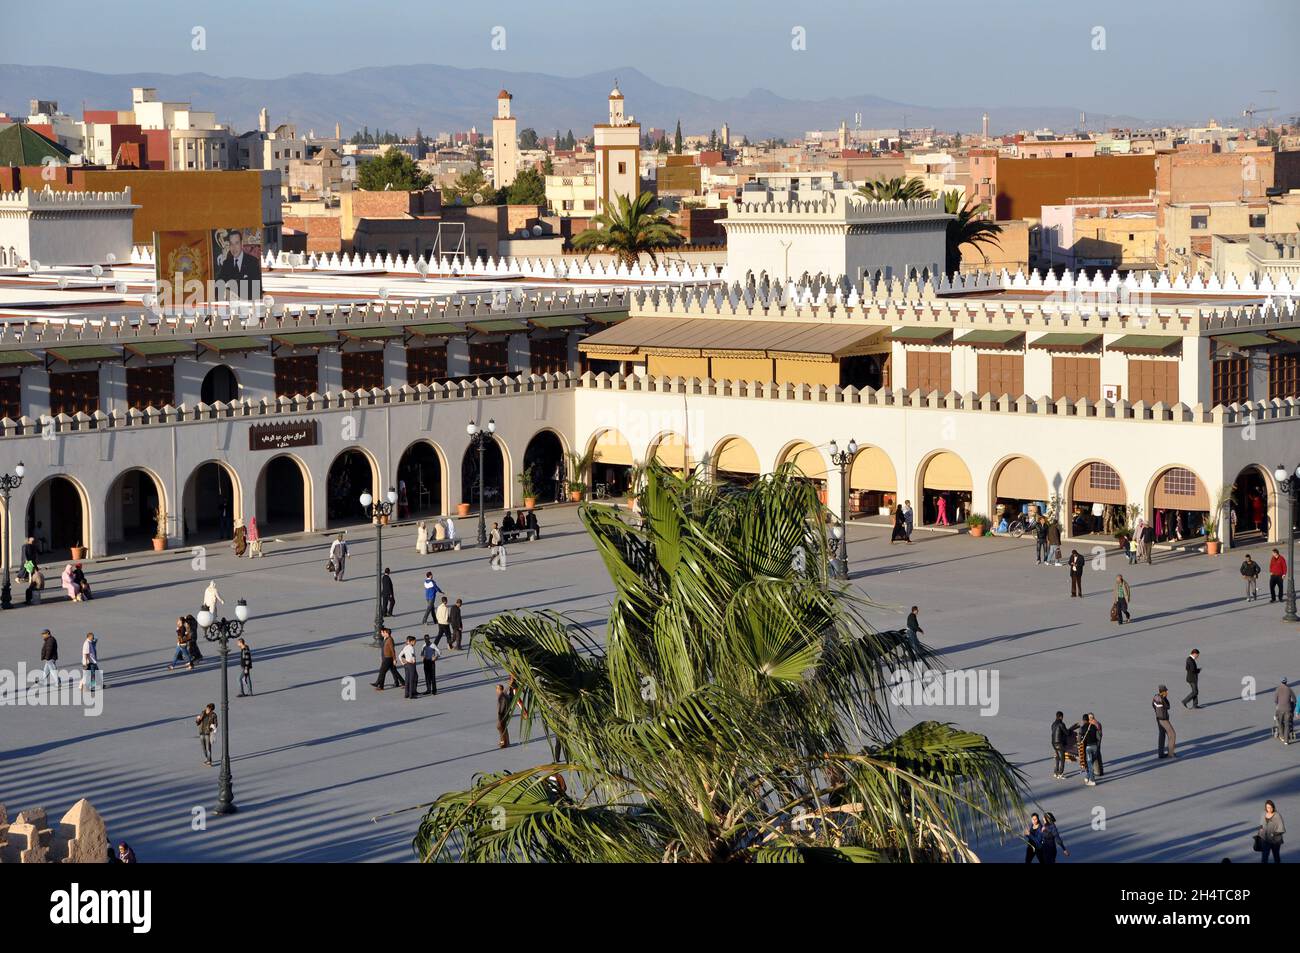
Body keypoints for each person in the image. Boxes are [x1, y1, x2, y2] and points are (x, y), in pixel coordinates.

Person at [1153, 685, 1176, 759]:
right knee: (1172, 734)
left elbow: (1154, 706)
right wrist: (1164, 698)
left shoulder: (1156, 697)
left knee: (1162, 735)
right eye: (1166, 691)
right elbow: (1167, 706)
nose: (1167, 692)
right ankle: (1171, 754)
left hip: (1158, 718)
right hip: (1163, 719)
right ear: (1163, 692)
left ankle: (1161, 754)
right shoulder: (1161, 699)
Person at [1079, 714, 1100, 786]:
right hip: (1095, 747)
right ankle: (1087, 776)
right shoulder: (1093, 726)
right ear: (1088, 719)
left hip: (1088, 748)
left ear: (1083, 720)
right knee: (1091, 762)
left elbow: (1079, 739)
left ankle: (1092, 780)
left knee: (1090, 764)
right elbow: (1098, 737)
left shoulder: (1082, 728)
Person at [399, 636, 419, 700]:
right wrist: (413, 660)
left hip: (406, 664)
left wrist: (402, 662)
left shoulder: (405, 647)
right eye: (414, 641)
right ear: (411, 641)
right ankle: (411, 695)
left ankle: (406, 694)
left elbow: (400, 655)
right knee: (412, 679)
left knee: (407, 679)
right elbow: (413, 655)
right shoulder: (411, 648)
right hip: (411, 665)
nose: (415, 642)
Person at [1276, 677, 1296, 744]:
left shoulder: (1278, 689)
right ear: (1286, 682)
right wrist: (1291, 704)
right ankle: (1286, 741)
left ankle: (1281, 736)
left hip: (1280, 709)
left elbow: (1275, 700)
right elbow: (1294, 700)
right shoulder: (1289, 689)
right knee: (1287, 725)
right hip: (1288, 709)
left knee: (1280, 722)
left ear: (1281, 682)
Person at [496, 680, 516, 748]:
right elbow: (511, 696)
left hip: (503, 715)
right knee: (502, 728)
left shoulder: (501, 696)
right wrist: (510, 685)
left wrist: (499, 718)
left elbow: (500, 709)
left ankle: (504, 742)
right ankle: (505, 741)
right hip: (506, 714)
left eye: (497, 688)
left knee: (501, 727)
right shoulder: (506, 695)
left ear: (499, 689)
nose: (496, 690)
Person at [1050, 710, 1069, 779]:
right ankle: (1060, 773)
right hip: (1059, 743)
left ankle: (1055, 772)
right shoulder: (1061, 724)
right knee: (1062, 758)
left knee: (1057, 757)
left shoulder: (1053, 724)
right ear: (1061, 717)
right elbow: (1067, 733)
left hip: (1053, 743)